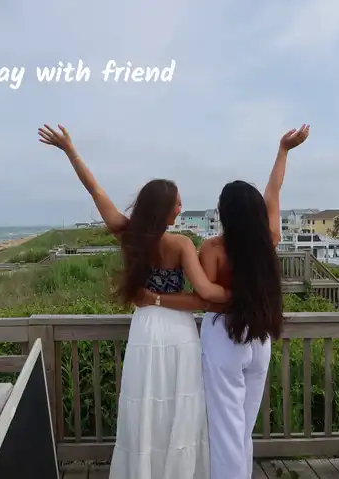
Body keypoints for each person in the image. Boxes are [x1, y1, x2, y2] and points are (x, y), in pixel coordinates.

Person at [38, 124, 229, 479]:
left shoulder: (130, 237)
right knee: (179, 405)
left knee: (145, 405)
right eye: (177, 203)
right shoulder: (181, 244)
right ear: (165, 209)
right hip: (179, 332)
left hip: (146, 328)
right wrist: (240, 295)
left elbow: (95, 190)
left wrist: (70, 151)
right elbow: (204, 296)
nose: (181, 208)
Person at [136, 125, 310, 479]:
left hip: (225, 338)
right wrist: (283, 151)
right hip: (259, 336)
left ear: (225, 213)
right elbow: (274, 191)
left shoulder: (213, 249)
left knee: (226, 432)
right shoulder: (268, 240)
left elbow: (204, 298)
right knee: (243, 430)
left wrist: (155, 297)